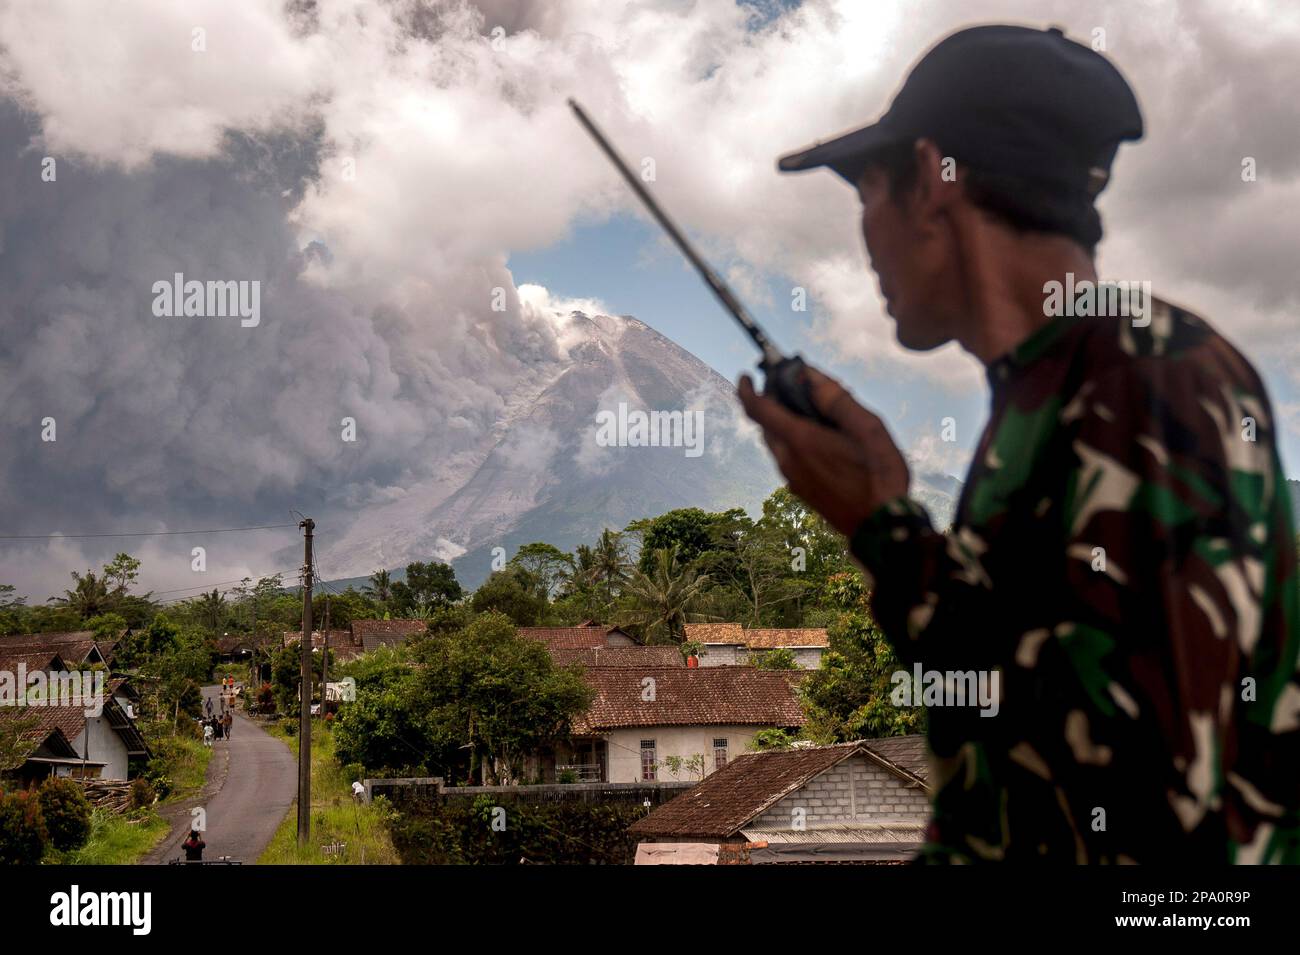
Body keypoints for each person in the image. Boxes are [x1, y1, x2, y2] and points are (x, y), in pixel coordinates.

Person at [740, 24, 1299, 863]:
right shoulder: (1048, 392)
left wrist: (887, 532)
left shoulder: (1149, 380)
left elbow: (1140, 800)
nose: (862, 246)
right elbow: (1008, 774)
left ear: (933, 179)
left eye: (865, 191)